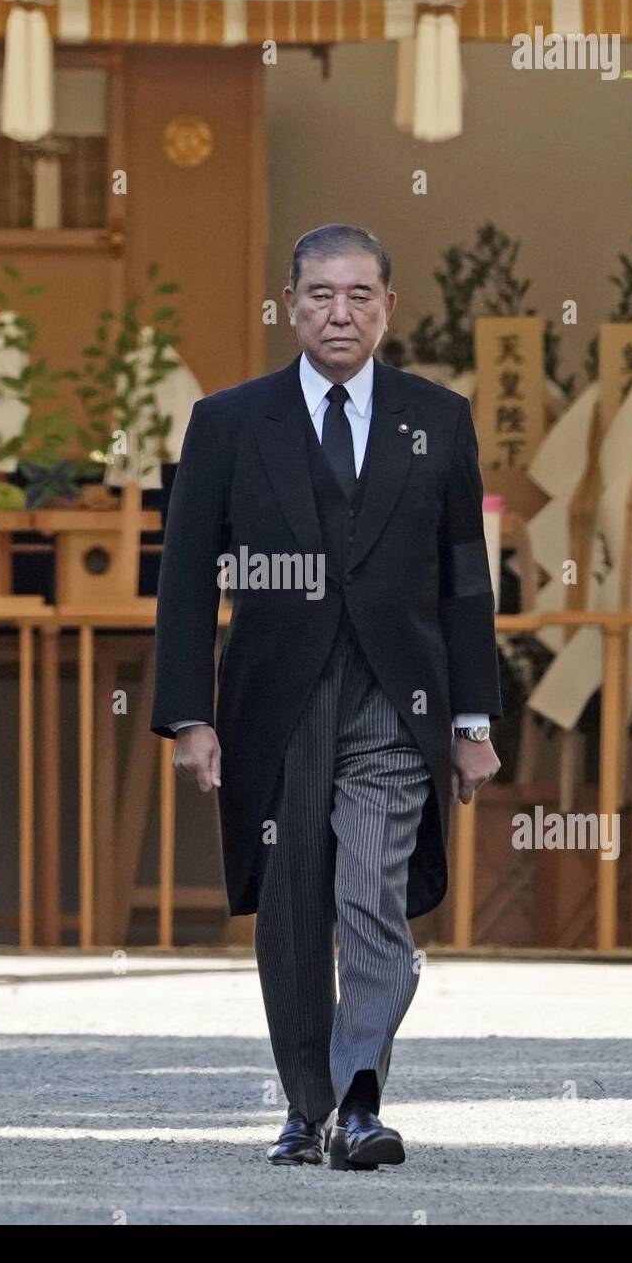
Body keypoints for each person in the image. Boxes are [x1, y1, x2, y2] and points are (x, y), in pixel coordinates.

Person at [151, 224, 502, 1169]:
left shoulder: (440, 417)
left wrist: (473, 721)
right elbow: (186, 577)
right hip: (277, 701)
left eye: (359, 295)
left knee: (371, 892)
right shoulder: (229, 422)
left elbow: (464, 577)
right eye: (320, 295)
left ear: (389, 306)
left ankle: (357, 1101)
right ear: (290, 304)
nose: (339, 312)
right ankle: (305, 1108)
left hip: (397, 700)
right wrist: (189, 715)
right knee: (295, 906)